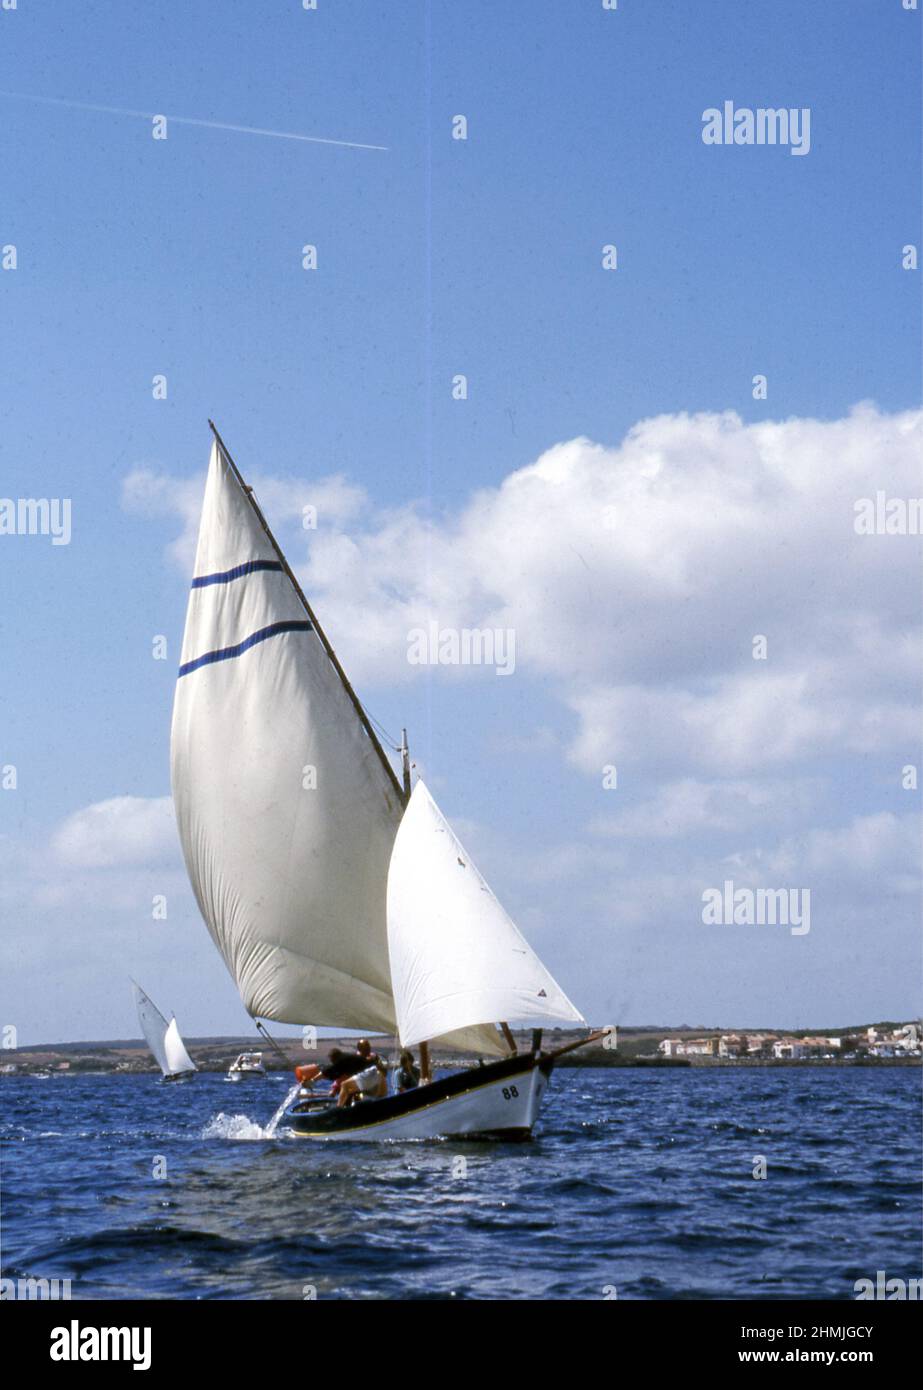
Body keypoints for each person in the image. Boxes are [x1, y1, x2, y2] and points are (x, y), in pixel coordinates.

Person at [336, 1038, 387, 1107]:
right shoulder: (357, 1059)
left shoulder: (374, 1057)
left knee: (344, 1085)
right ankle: (344, 1107)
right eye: (365, 1047)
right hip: (364, 1083)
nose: (368, 1048)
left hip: (370, 1082)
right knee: (347, 1088)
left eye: (368, 1046)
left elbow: (383, 1071)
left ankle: (339, 1109)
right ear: (359, 1049)